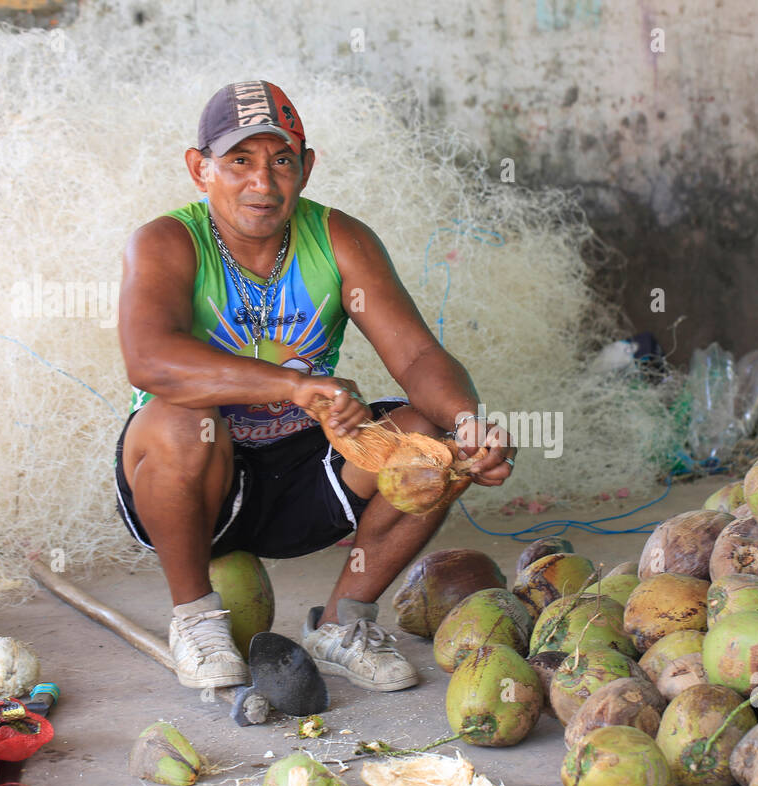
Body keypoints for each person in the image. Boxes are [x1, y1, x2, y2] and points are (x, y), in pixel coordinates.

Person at [114, 80, 515, 693]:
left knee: (429, 444)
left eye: (281, 160)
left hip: (304, 478)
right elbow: (148, 360)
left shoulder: (337, 237)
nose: (263, 182)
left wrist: (468, 422)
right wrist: (293, 385)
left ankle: (342, 625)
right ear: (201, 169)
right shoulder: (168, 241)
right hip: (197, 491)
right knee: (180, 422)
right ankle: (194, 618)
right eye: (239, 161)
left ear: (306, 166)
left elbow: (414, 354)